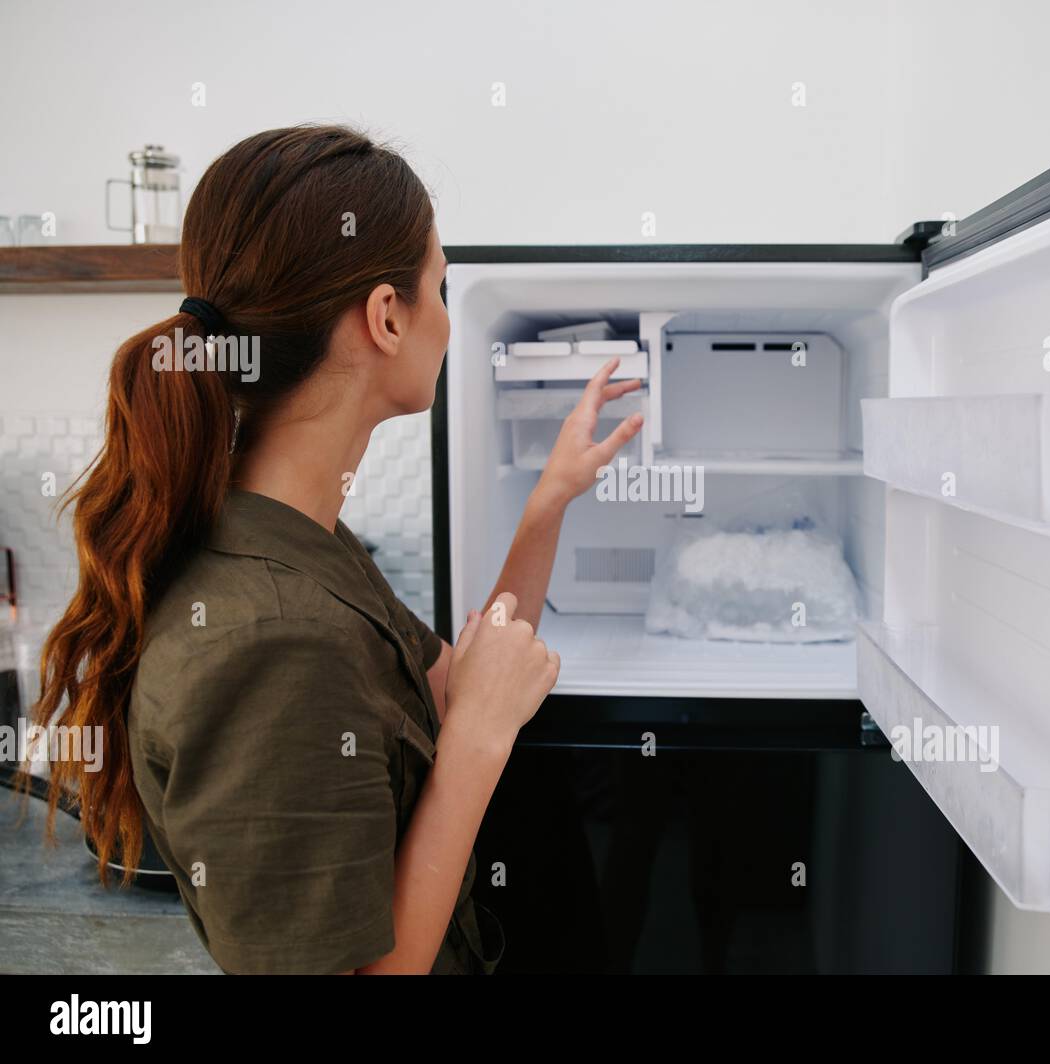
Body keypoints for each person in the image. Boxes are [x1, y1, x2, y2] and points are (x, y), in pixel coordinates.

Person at [29, 125, 643, 974]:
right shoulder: (270, 642)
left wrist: (549, 503)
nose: (448, 320)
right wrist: (478, 741)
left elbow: (459, 684)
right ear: (386, 318)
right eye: (441, 287)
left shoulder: (295, 535)